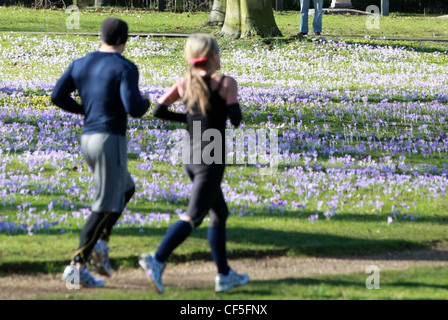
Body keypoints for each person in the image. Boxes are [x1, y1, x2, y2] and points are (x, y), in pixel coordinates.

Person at [139, 33, 249, 293]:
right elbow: (235, 119)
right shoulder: (225, 83)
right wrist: (227, 107)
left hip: (190, 155)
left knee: (220, 213)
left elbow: (158, 110)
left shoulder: (184, 83)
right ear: (212, 56)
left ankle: (224, 275)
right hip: (210, 157)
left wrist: (191, 121)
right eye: (219, 53)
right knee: (193, 216)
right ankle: (157, 260)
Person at [52, 17, 150, 287]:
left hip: (88, 139)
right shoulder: (125, 67)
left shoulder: (81, 63)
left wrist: (85, 110)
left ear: (102, 37)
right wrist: (147, 102)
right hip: (110, 139)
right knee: (105, 204)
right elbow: (133, 106)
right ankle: (76, 266)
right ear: (124, 40)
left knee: (126, 189)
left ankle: (100, 245)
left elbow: (57, 96)